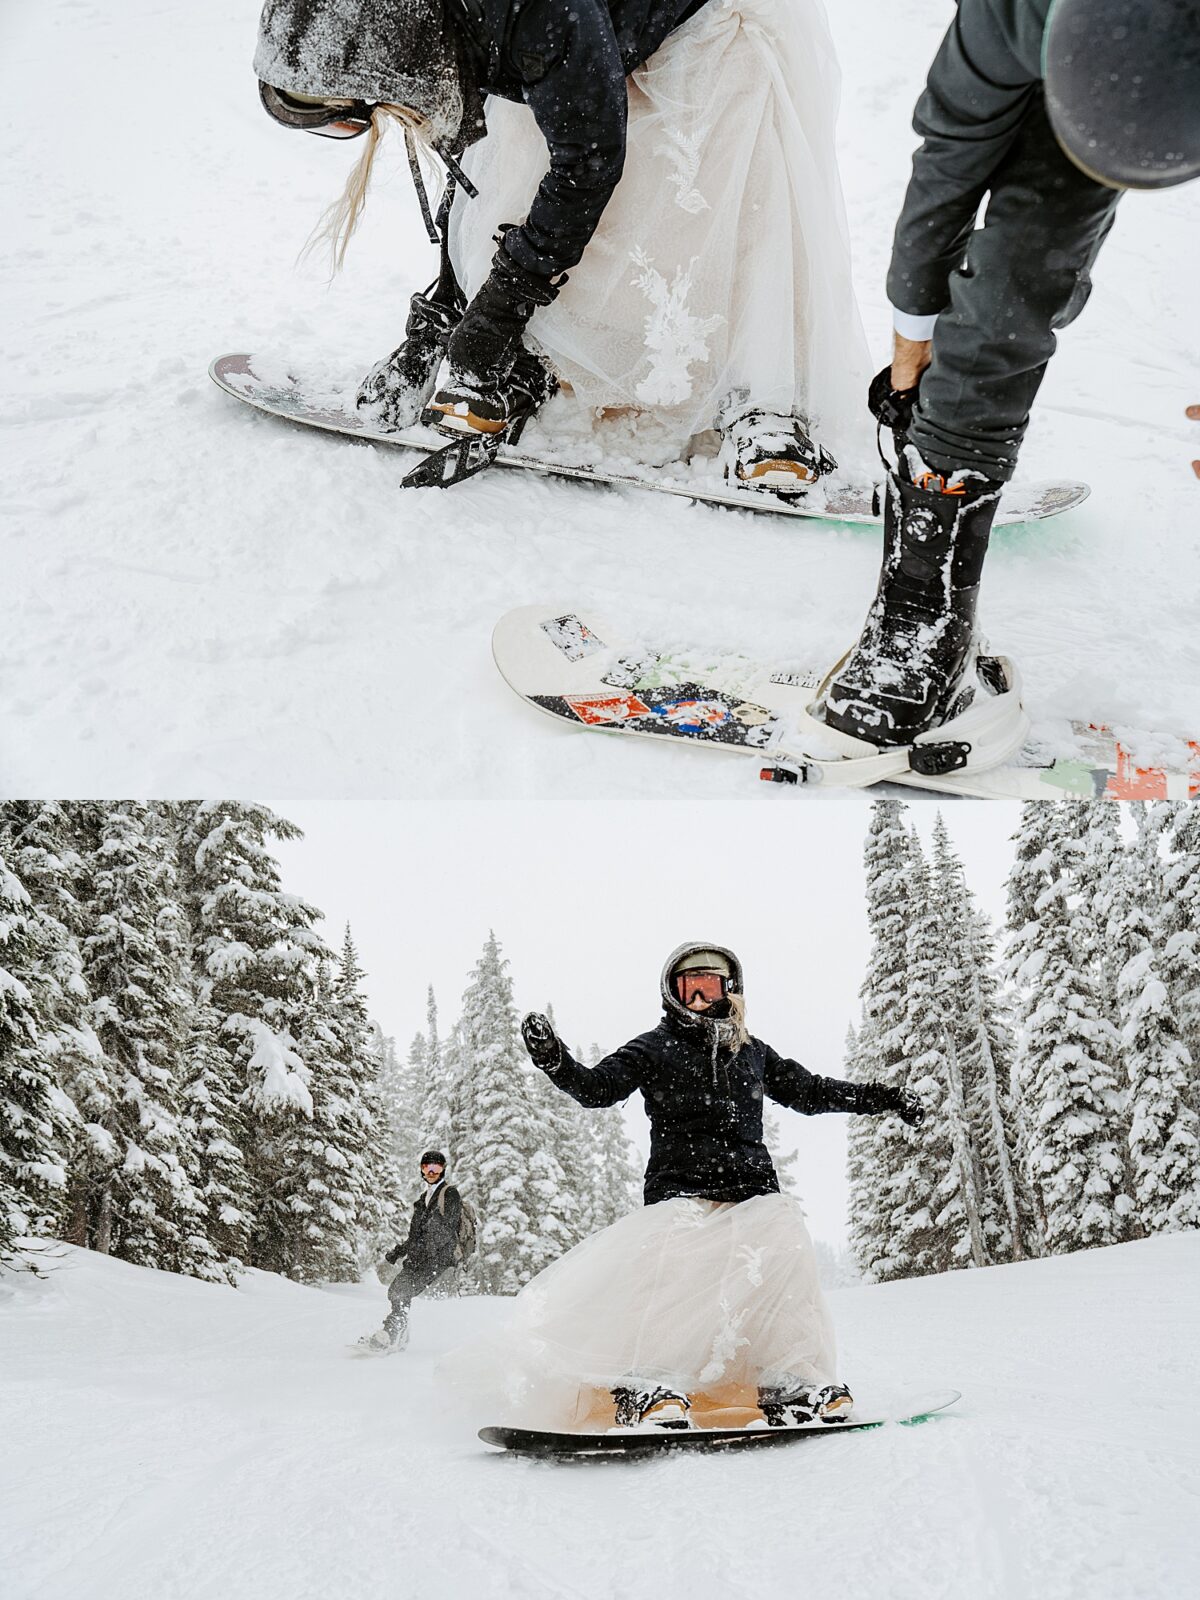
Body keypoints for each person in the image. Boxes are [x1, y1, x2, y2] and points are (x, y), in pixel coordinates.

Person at [252, 0, 871, 491]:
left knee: (723, 196)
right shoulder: (452, 22)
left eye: (349, 114)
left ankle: (761, 398)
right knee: (520, 156)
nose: (364, 123)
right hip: (585, 30)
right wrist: (445, 322)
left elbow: (589, 163)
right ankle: (531, 362)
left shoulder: (533, 15)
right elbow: (475, 165)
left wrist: (496, 315)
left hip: (711, 25)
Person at [823, 0, 1200, 750]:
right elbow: (950, 164)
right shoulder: (1013, 16)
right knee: (1011, 280)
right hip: (1070, 71)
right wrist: (913, 339)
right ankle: (922, 598)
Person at [440, 943, 923, 1432]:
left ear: (728, 990)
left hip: (752, 1193)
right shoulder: (654, 1047)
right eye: (687, 986)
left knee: (784, 1247)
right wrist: (554, 1061)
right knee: (672, 1272)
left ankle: (790, 1387)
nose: (697, 996)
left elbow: (810, 1091)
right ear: (671, 993)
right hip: (680, 1193)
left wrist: (881, 1098)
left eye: (708, 984)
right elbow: (596, 1088)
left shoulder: (751, 1052)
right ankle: (646, 1388)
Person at [361, 1150, 464, 1352]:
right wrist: (399, 1252)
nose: (432, 1171)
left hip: (437, 1259)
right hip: (419, 1258)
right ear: (422, 1170)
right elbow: (416, 1235)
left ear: (443, 1170)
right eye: (427, 1167)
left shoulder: (450, 1194)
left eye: (436, 1167)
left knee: (401, 1292)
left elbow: (444, 1230)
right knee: (396, 1291)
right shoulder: (423, 1200)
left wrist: (424, 1250)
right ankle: (399, 1333)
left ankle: (392, 1333)